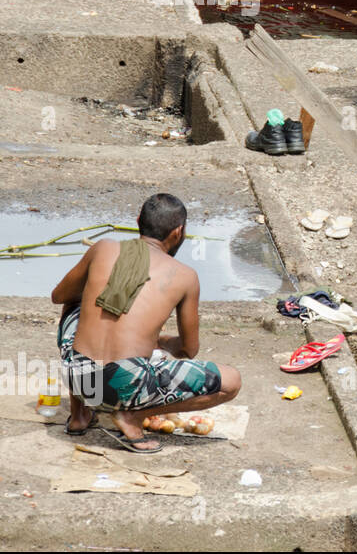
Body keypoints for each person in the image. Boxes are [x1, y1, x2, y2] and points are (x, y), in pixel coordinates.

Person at [50, 194, 242, 454]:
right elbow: (188, 350)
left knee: (75, 301)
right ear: (178, 232)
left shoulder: (102, 247)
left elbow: (59, 296)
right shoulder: (186, 276)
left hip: (78, 377)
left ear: (138, 221)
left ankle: (79, 416)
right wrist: (159, 341)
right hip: (125, 387)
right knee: (231, 381)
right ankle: (132, 418)